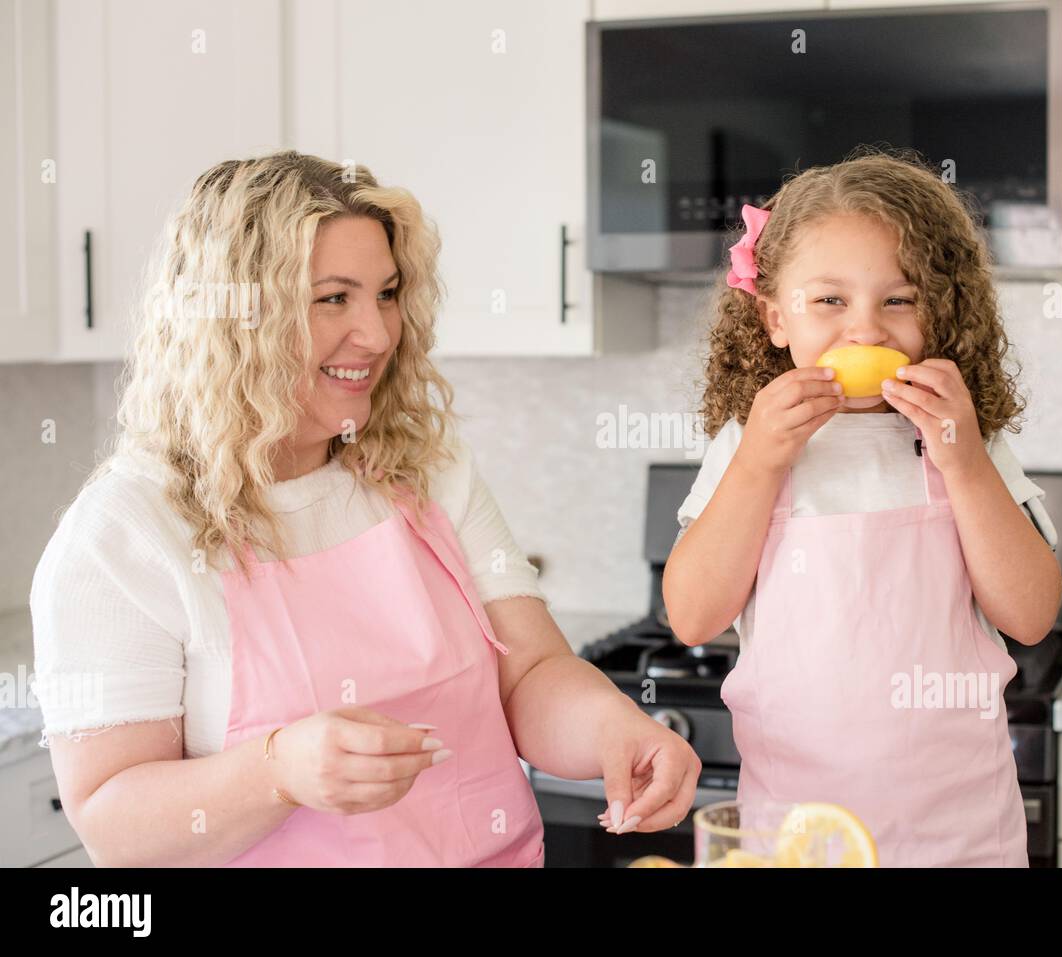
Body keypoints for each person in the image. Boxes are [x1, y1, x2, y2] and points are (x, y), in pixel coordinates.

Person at [30, 151, 699, 867]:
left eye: (386, 294)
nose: (378, 334)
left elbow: (530, 673)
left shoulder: (428, 468)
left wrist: (614, 728)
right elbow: (111, 818)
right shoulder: (123, 534)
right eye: (333, 299)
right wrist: (279, 770)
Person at [663, 149, 1062, 867]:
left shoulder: (966, 435)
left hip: (961, 832)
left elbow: (1030, 614)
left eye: (899, 299)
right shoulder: (748, 443)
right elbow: (693, 615)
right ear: (774, 318)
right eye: (830, 300)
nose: (867, 331)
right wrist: (757, 464)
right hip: (796, 832)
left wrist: (964, 461)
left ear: (940, 311)